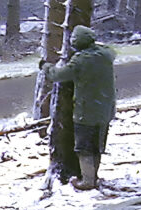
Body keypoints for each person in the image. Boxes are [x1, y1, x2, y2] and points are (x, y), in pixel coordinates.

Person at [44, 25, 117, 190]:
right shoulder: (106, 55)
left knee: (84, 148)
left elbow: (58, 75)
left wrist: (46, 67)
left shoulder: (81, 61)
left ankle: (87, 181)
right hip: (105, 110)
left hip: (86, 111)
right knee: (97, 146)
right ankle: (94, 176)